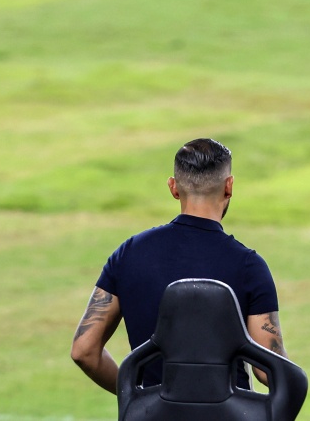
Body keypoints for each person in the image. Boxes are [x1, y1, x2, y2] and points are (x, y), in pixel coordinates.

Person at [71, 138, 287, 393]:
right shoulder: (249, 266)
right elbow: (269, 371)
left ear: (173, 188)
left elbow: (84, 350)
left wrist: (134, 397)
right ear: (229, 187)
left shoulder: (129, 254)